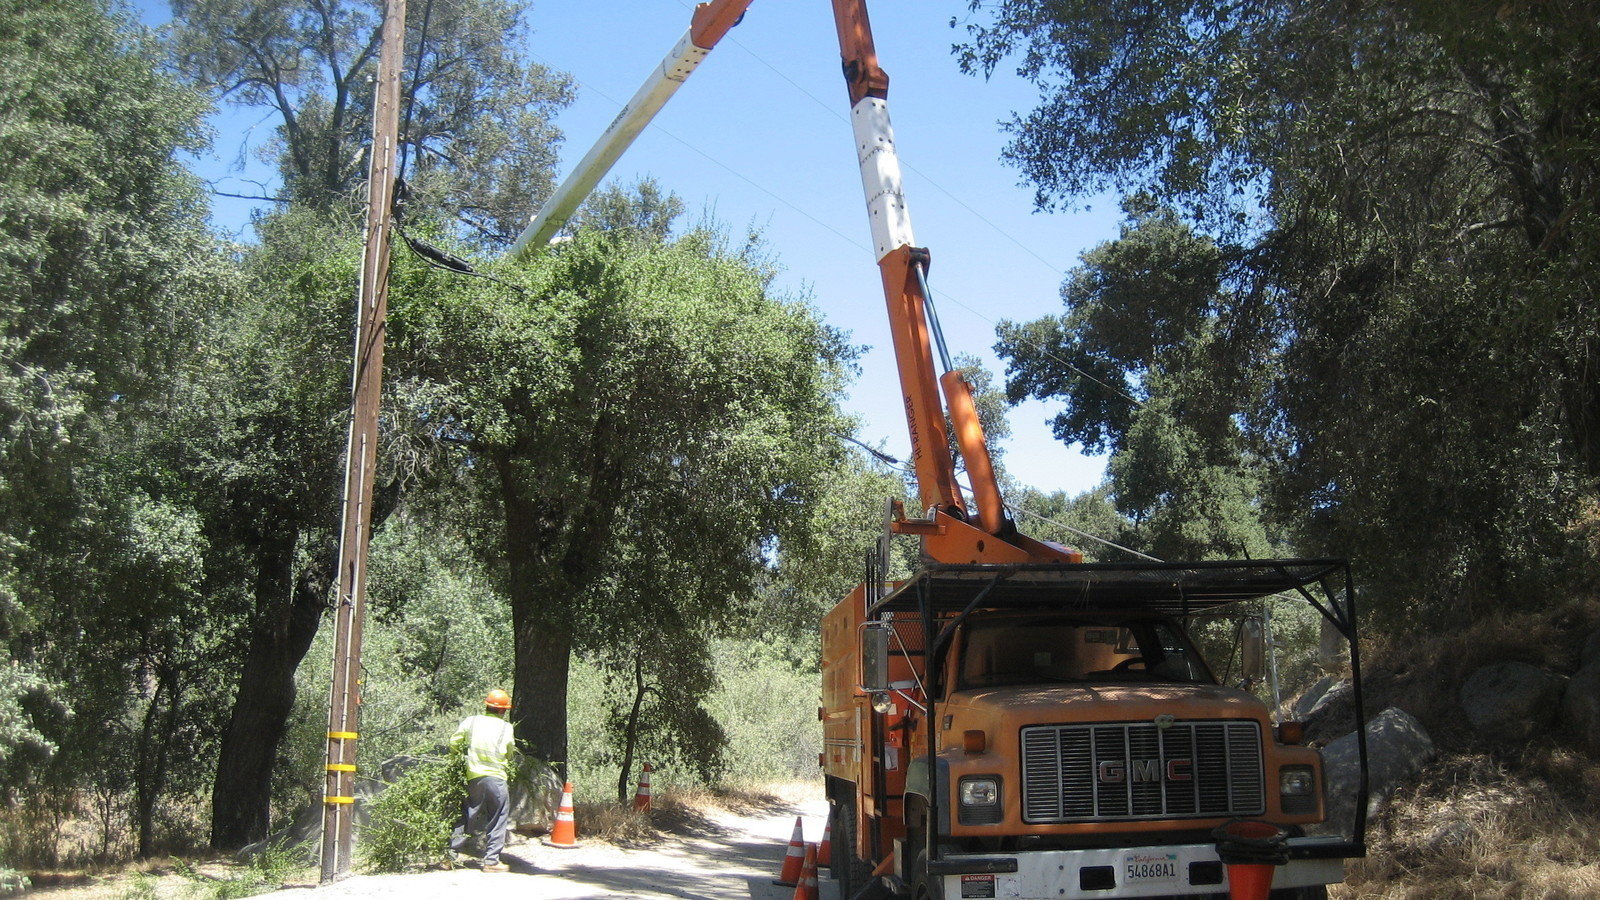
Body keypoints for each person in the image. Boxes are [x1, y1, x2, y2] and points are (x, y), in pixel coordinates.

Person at [449, 688, 516, 872]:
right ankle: (491, 862)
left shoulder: (471, 722)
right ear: (503, 710)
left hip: (474, 777)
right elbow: (509, 753)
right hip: (496, 778)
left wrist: (456, 757)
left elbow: (454, 742)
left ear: (486, 705)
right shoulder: (506, 728)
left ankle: (450, 858)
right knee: (498, 817)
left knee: (467, 814)